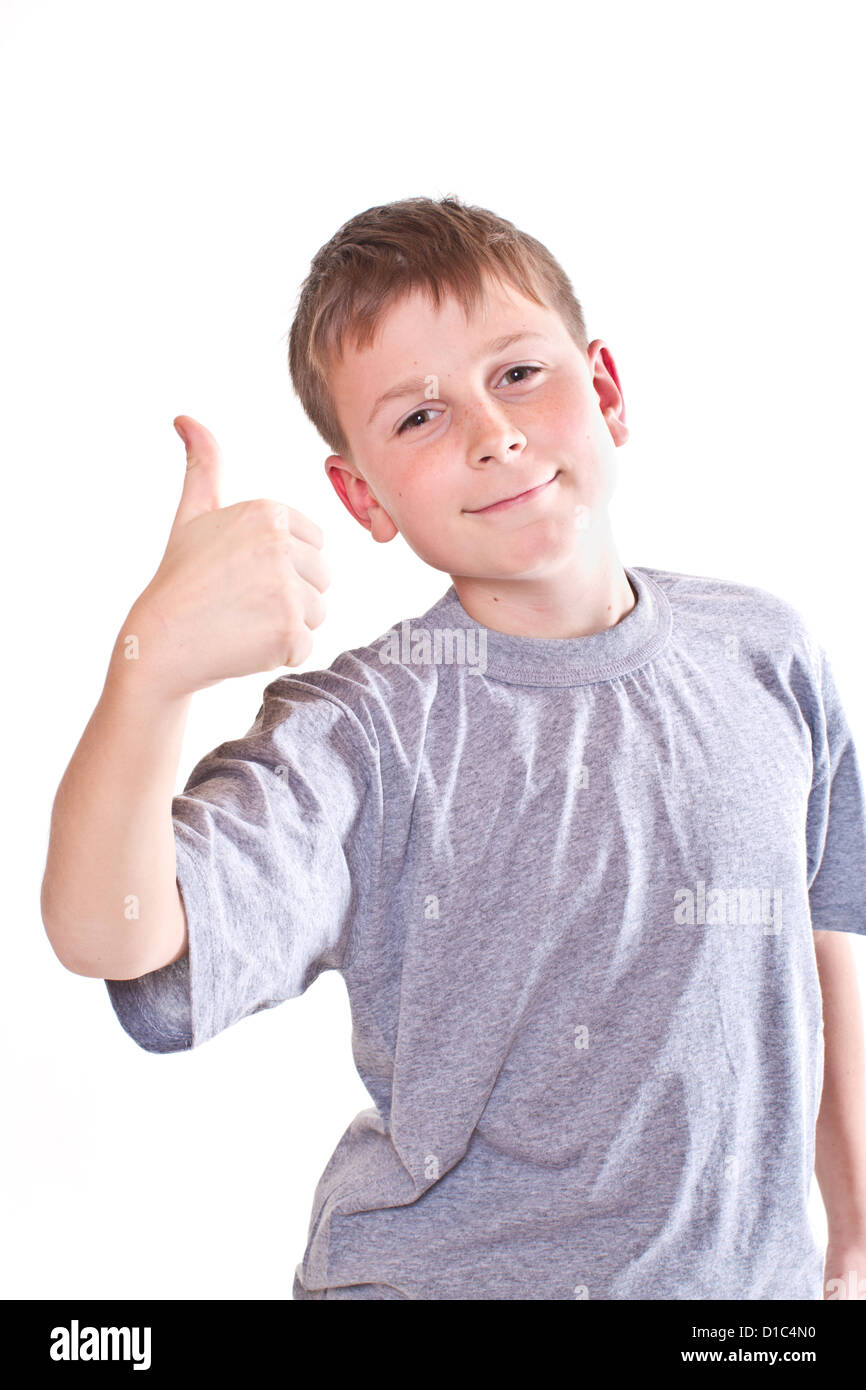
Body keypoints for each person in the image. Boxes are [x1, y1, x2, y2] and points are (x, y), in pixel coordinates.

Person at [41, 194, 866, 1300]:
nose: (491, 430)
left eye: (517, 373)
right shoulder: (361, 735)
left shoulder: (764, 651)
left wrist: (850, 1225)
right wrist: (151, 673)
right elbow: (114, 931)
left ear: (605, 390)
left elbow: (821, 920)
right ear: (362, 495)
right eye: (416, 418)